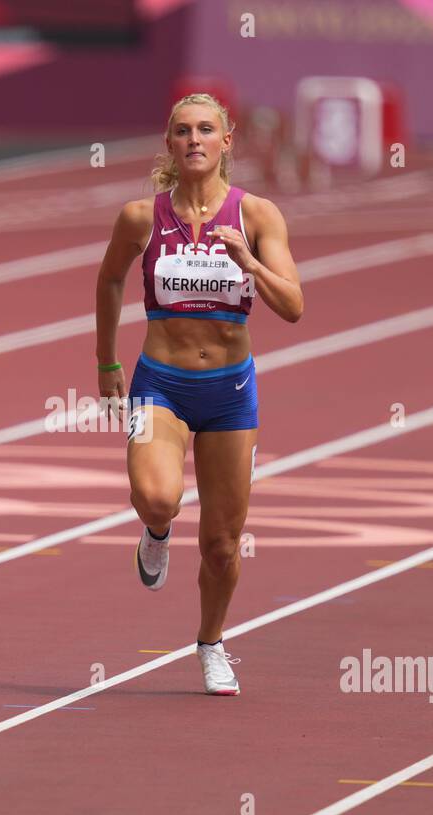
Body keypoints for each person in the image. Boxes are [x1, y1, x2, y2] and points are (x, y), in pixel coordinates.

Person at [95, 94, 303, 695]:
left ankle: (211, 643)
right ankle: (156, 532)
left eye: (206, 130)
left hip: (230, 392)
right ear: (168, 143)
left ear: (226, 140)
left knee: (221, 543)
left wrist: (252, 265)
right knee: (156, 497)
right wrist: (106, 358)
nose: (194, 139)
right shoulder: (141, 217)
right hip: (159, 383)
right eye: (183, 130)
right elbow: (109, 278)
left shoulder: (259, 217)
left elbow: (294, 307)